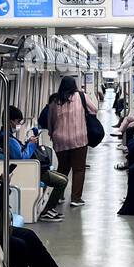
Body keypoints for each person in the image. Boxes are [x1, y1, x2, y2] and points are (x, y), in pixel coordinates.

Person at [0, 105, 67, 220]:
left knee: (63, 177)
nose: (19, 125)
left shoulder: (6, 137)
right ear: (10, 122)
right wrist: (31, 144)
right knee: (62, 181)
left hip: (30, 170)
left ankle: (48, 208)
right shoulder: (8, 140)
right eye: (17, 122)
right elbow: (22, 158)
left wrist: (28, 143)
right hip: (29, 171)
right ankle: (47, 211)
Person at [47, 75, 98, 207]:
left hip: (60, 139)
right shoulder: (81, 96)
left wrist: (52, 134)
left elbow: (50, 120)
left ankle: (58, 196)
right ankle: (76, 198)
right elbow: (94, 110)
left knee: (63, 167)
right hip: (79, 138)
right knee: (79, 169)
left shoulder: (54, 100)